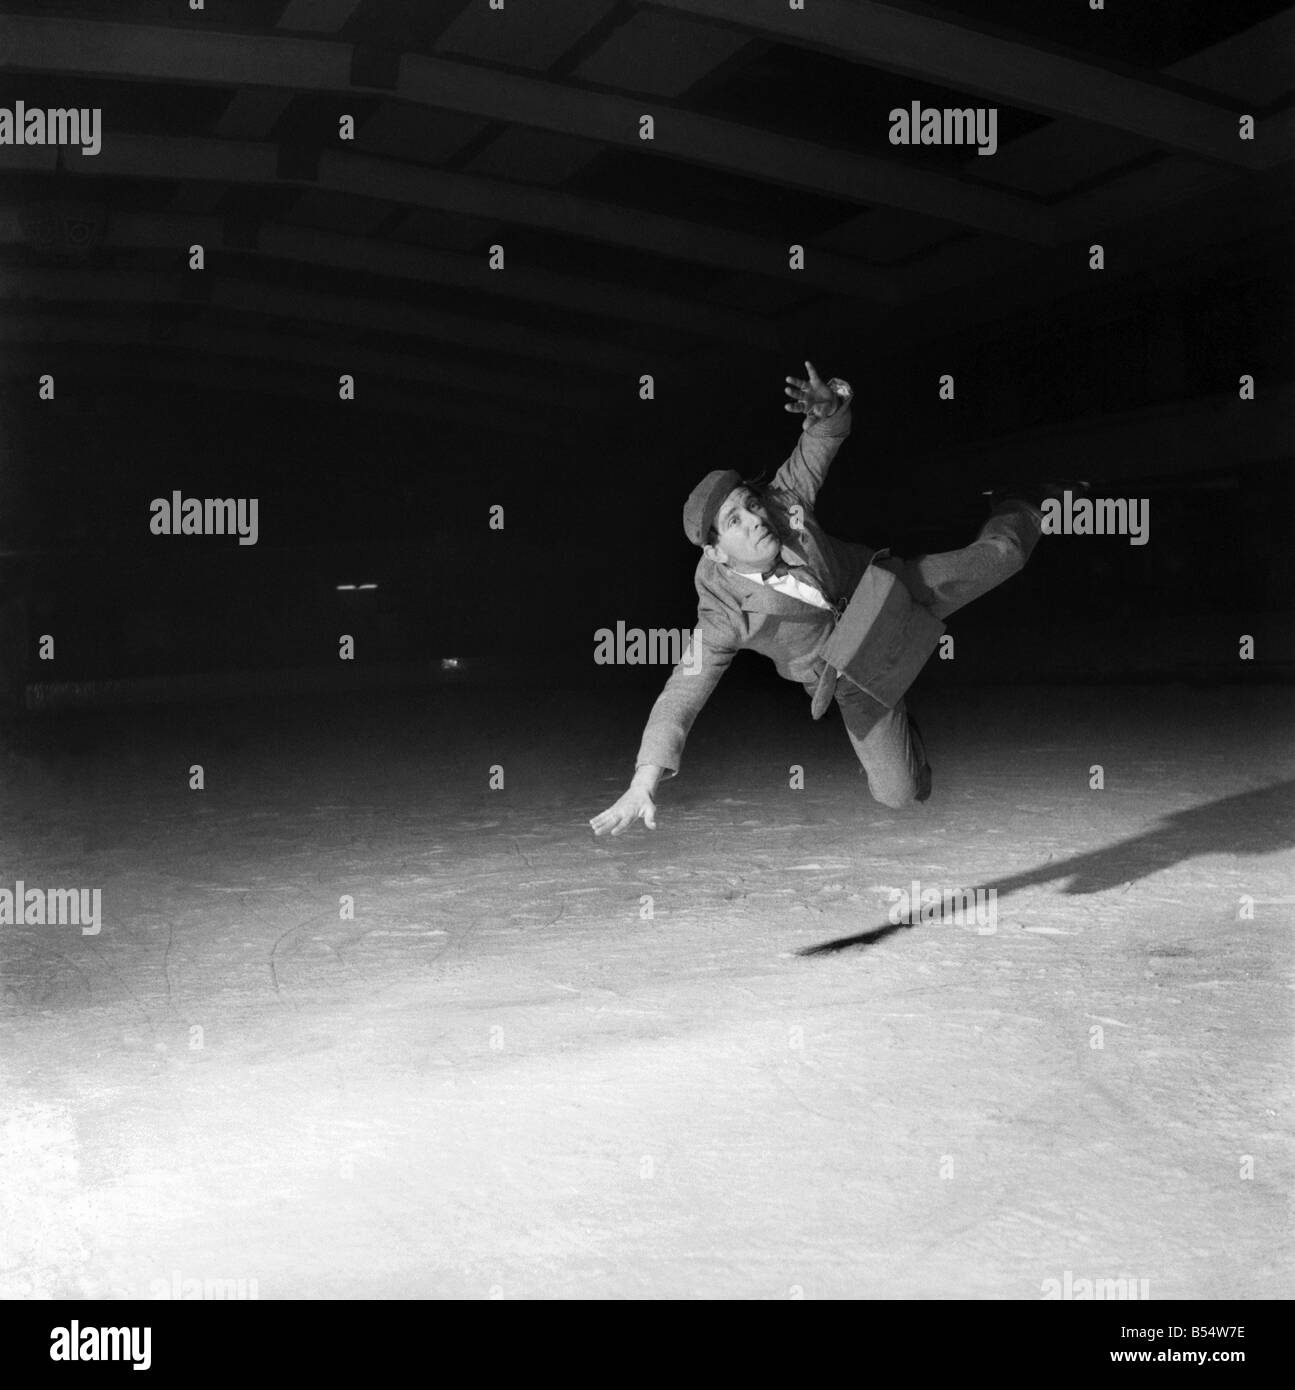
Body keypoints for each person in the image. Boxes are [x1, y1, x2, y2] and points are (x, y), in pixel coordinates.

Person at [590, 361, 1056, 837]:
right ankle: (900, 741)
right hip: (850, 670)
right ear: (715, 551)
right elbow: (681, 694)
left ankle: (1022, 501)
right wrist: (644, 778)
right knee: (901, 792)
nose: (755, 519)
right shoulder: (722, 611)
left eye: (750, 503)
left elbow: (819, 444)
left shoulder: (784, 500)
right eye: (735, 522)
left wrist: (829, 407)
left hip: (886, 594)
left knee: (1004, 555)